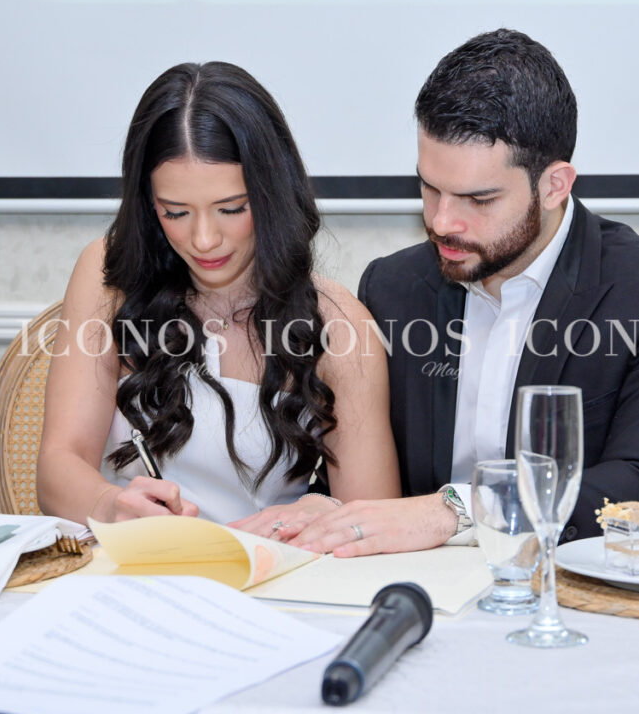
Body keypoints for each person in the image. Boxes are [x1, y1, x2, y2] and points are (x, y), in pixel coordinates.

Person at [287, 28, 639, 557]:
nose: (440, 221)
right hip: (421, 592)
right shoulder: (392, 287)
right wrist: (327, 505)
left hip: (567, 602)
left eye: (478, 198)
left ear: (555, 185)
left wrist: (456, 509)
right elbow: (373, 476)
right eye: (429, 188)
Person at [37, 62, 401, 529]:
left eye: (231, 209)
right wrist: (108, 504)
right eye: (176, 212)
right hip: (128, 573)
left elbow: (373, 526)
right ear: (149, 205)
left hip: (270, 585)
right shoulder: (108, 276)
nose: (204, 240)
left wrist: (325, 508)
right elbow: (57, 467)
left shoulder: (338, 325)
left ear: (271, 194)